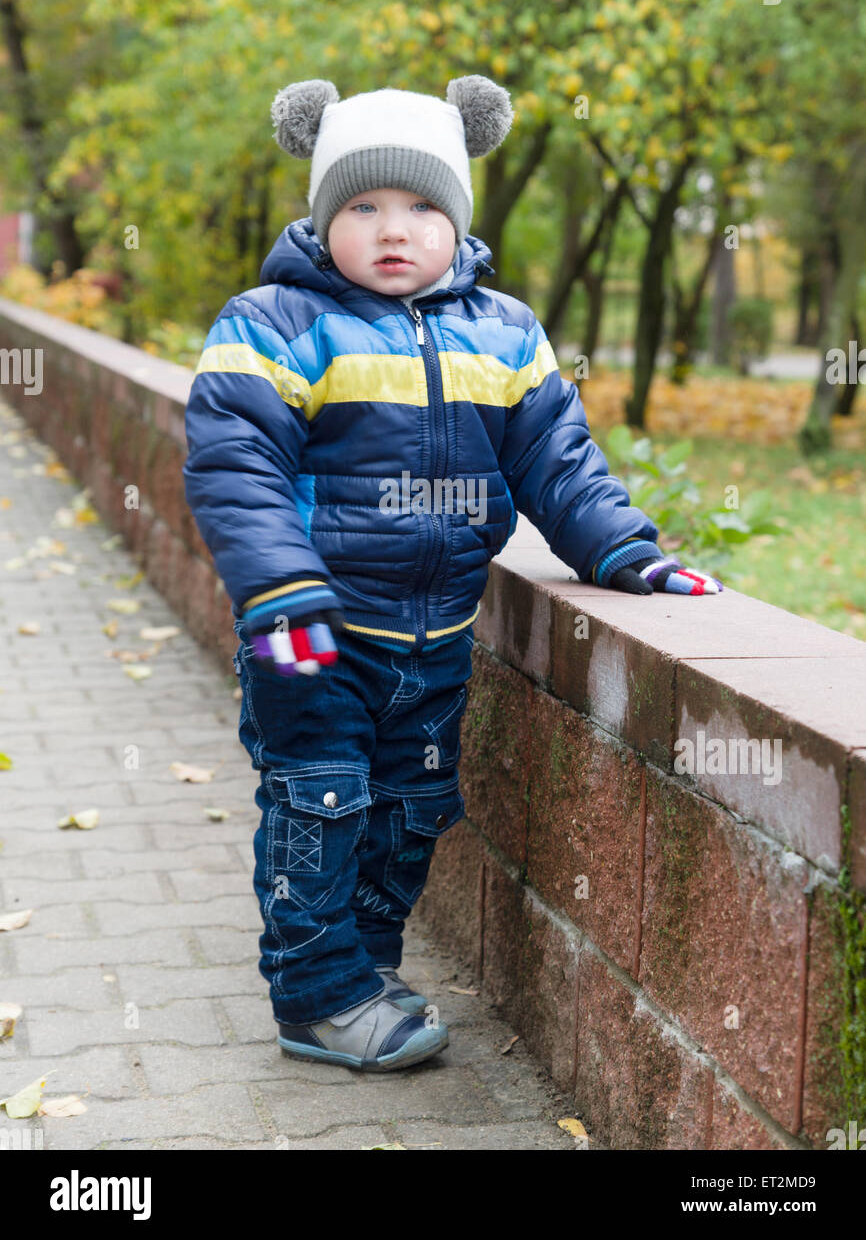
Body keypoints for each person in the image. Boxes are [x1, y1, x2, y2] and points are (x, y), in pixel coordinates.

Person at [182, 75, 722, 1073]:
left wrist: (624, 551)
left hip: (432, 639)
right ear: (322, 215)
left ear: (458, 214)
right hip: (311, 634)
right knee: (319, 800)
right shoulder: (274, 325)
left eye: (423, 204)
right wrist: (279, 591)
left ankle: (363, 968)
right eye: (363, 205)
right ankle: (314, 994)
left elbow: (556, 462)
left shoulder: (505, 333)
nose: (395, 228)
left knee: (408, 813)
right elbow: (234, 468)